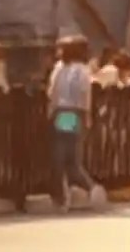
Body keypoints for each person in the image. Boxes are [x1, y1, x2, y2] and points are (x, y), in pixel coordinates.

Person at [46, 35, 107, 213]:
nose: (58, 52)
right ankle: (87, 190)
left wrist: (52, 111)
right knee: (66, 157)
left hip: (67, 112)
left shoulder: (70, 69)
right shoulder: (79, 69)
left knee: (63, 156)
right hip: (69, 112)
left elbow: (56, 92)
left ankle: (67, 196)